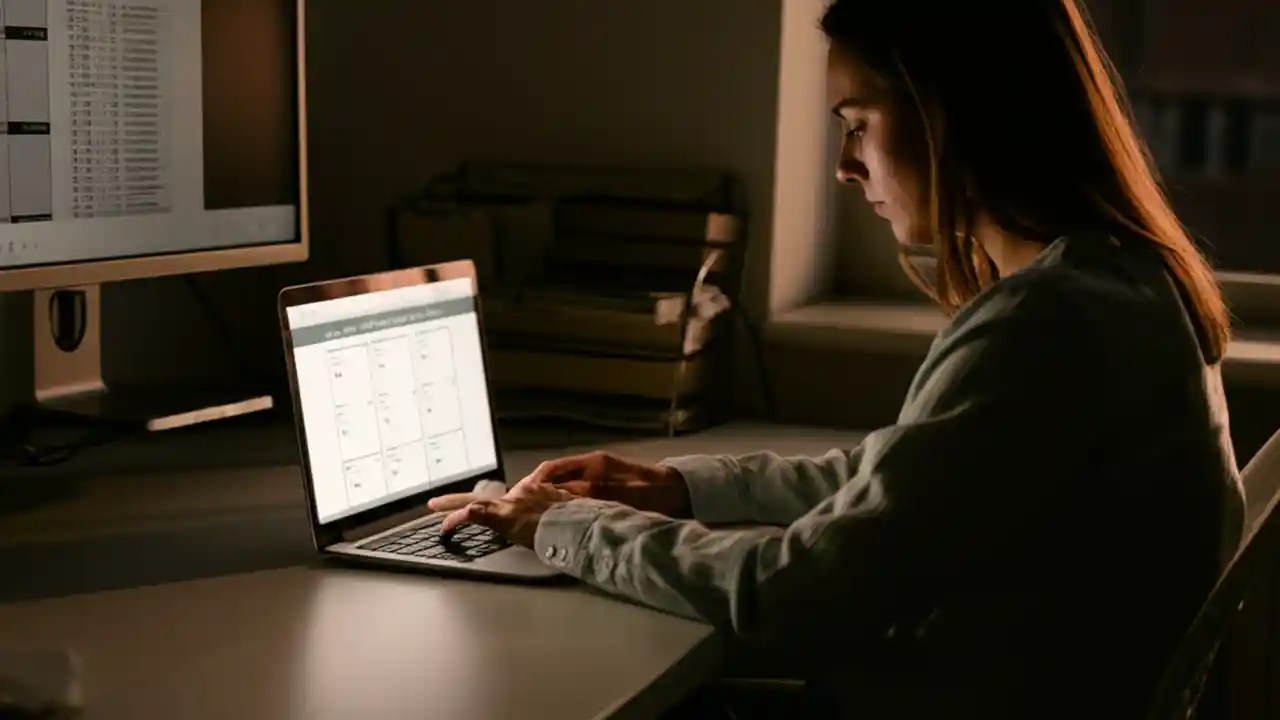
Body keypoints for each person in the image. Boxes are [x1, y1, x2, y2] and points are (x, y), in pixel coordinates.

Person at [429, 0, 1246, 716]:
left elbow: (792, 594)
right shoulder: (1122, 284)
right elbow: (903, 482)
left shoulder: (1045, 325)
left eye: (858, 123)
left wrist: (563, 526)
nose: (844, 166)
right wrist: (681, 487)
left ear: (949, 110)